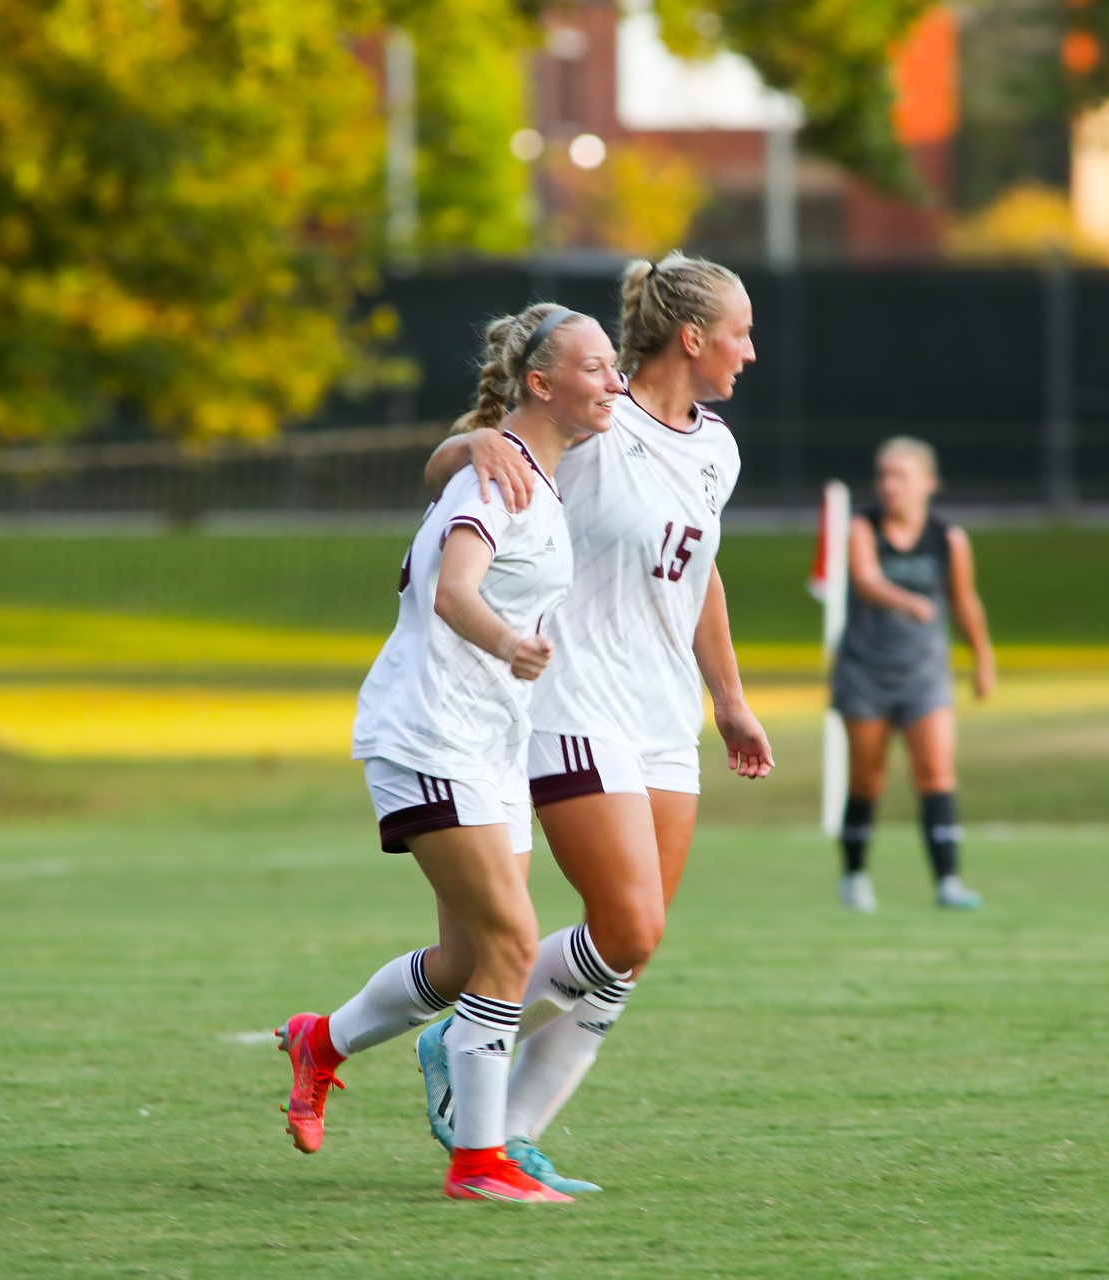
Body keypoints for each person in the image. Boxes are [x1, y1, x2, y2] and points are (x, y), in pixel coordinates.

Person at [418, 251, 773, 1195]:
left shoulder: (718, 448)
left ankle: (511, 1131)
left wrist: (728, 699)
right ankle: (471, 1034)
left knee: (631, 946)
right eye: (740, 332)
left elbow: (699, 574)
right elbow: (461, 462)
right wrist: (471, 445)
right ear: (693, 339)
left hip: (664, 717)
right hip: (573, 703)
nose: (750, 349)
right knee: (629, 920)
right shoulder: (597, 424)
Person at [274, 303, 621, 1203]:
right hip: (432, 733)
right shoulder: (496, 479)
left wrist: (467, 445)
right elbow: (455, 589)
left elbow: (454, 463)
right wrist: (509, 641)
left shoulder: (528, 469)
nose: (612, 380)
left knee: (471, 959)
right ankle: (480, 1162)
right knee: (511, 942)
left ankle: (321, 1042)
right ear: (541, 384)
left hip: (489, 743)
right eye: (595, 366)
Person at [831, 437, 996, 913]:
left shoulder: (949, 538)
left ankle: (948, 881)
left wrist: (982, 659)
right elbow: (864, 578)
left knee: (937, 772)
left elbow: (965, 601)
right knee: (867, 779)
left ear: (928, 483)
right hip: (864, 673)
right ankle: (855, 877)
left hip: (924, 675)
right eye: (884, 476)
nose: (890, 486)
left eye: (900, 476)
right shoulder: (862, 526)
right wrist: (906, 601)